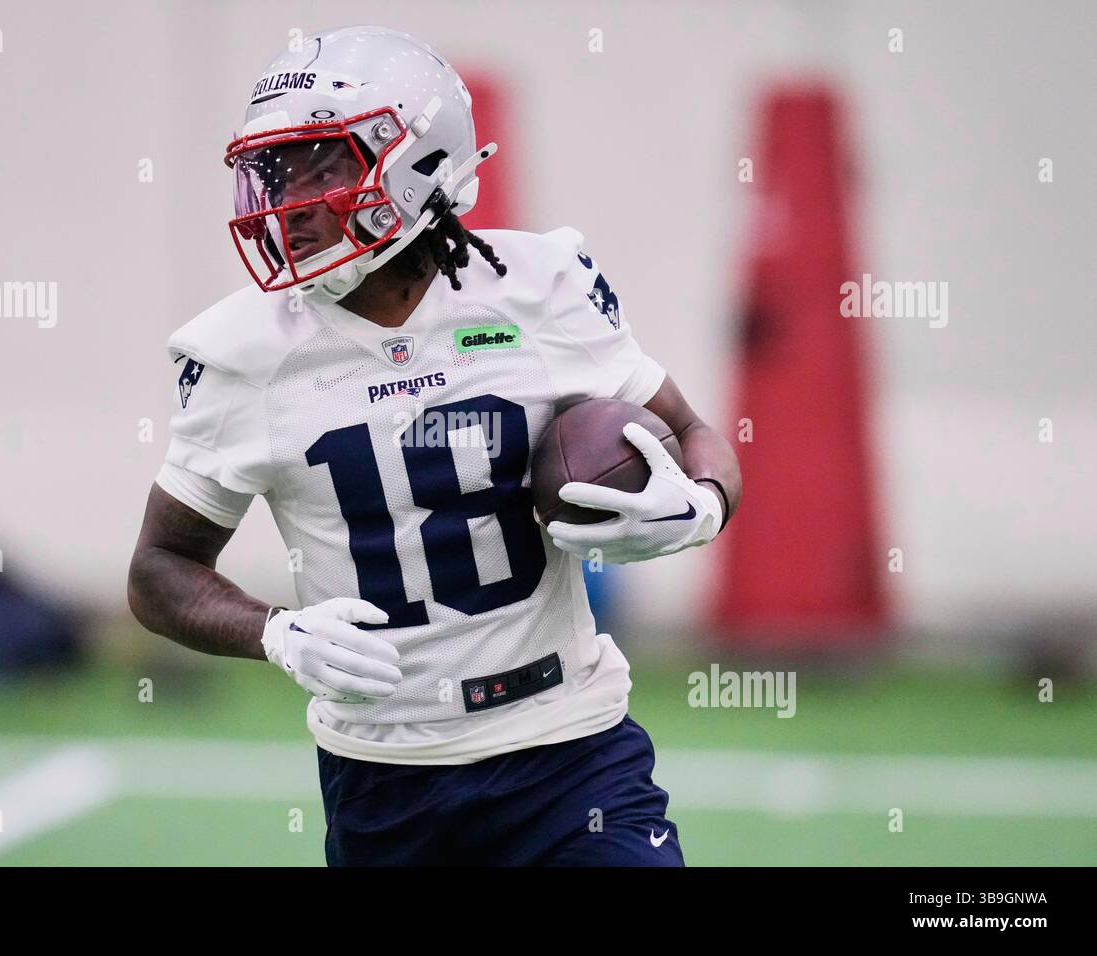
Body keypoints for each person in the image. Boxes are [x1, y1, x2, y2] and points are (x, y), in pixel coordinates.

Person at [128, 25, 742, 866]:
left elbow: (699, 436)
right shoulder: (241, 354)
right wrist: (275, 631)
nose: (290, 203)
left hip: (571, 752)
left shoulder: (538, 290)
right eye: (275, 172)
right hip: (385, 776)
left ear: (420, 165)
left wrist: (699, 507)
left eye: (323, 166)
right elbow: (158, 572)